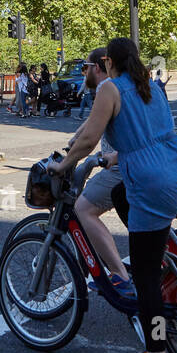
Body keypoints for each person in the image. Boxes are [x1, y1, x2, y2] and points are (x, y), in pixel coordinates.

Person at [49, 37, 177, 353]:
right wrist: (114, 156)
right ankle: (157, 256)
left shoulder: (110, 89)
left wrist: (62, 166)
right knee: (120, 199)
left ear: (108, 60)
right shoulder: (150, 86)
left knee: (146, 282)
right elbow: (149, 136)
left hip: (153, 184)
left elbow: (88, 139)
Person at [69, 48, 134, 299]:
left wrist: (67, 162)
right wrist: (74, 139)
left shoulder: (108, 88)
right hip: (165, 165)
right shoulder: (133, 86)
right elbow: (91, 123)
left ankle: (119, 275)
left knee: (83, 209)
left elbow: (89, 139)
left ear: (99, 66)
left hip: (124, 168)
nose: (84, 72)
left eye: (85, 67)